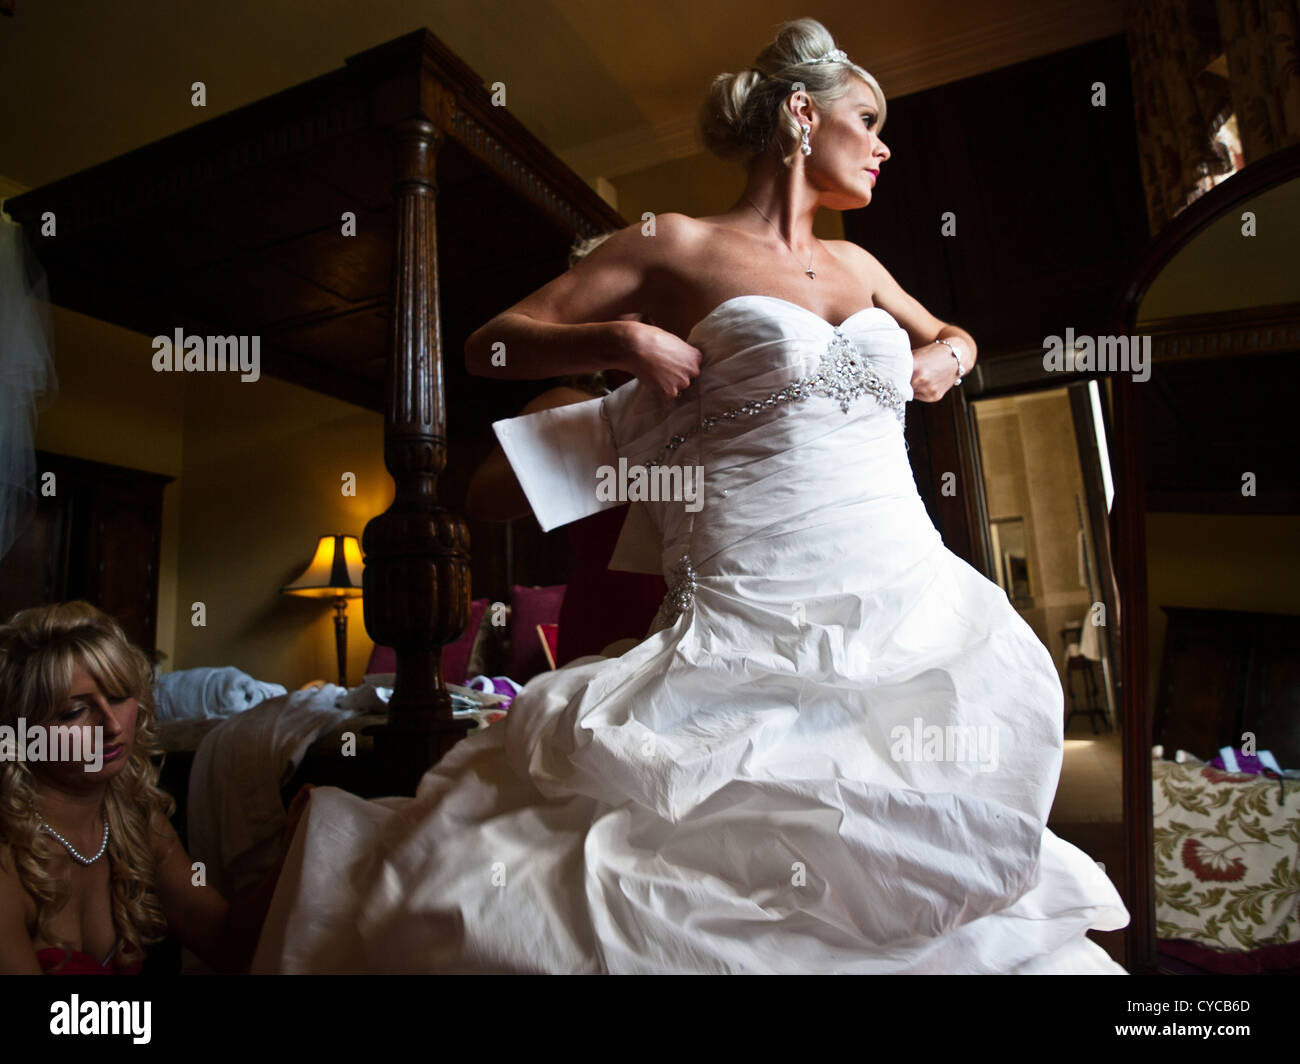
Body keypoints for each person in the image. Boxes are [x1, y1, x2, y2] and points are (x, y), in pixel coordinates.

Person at [254, 17, 1129, 974]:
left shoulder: (861, 266)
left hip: (909, 595)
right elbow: (488, 345)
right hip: (752, 609)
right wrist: (622, 341)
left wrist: (946, 357)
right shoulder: (671, 241)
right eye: (868, 118)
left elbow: (950, 329)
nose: (884, 146)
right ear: (802, 115)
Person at [0, 601, 309, 974]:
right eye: (74, 712)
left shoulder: (135, 822)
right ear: (21, 731)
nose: (112, 725)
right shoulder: (8, 859)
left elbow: (228, 943)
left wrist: (299, 842)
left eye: (117, 696)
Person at [466, 235, 668, 666]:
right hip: (613, 612)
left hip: (709, 605)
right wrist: (605, 434)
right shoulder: (571, 405)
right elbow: (483, 500)